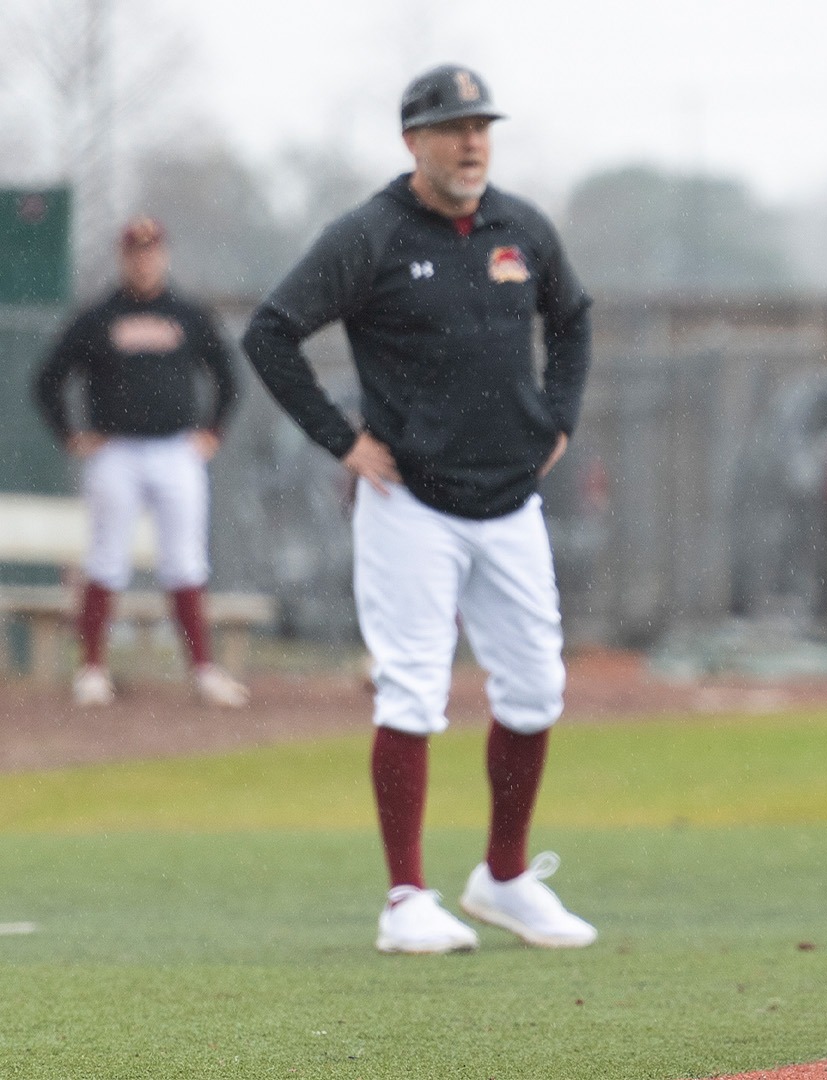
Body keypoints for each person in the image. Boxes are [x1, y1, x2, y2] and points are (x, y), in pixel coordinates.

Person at [241, 64, 596, 955]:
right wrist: (341, 440)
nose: (473, 142)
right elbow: (270, 332)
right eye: (453, 128)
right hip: (410, 501)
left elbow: (574, 317)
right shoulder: (370, 235)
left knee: (535, 689)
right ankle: (405, 899)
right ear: (413, 141)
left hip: (510, 499)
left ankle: (503, 878)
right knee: (411, 691)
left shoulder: (521, 228)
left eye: (482, 127)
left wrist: (559, 417)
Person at [34, 216, 252, 709]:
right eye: (135, 253)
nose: (144, 261)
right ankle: (92, 670)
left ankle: (202, 671)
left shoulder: (187, 314)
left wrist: (213, 431)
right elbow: (48, 379)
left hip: (176, 450)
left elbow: (227, 375)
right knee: (106, 558)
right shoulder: (98, 317)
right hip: (116, 450)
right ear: (123, 258)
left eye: (151, 252)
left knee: (185, 559)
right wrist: (71, 435)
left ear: (163, 256)